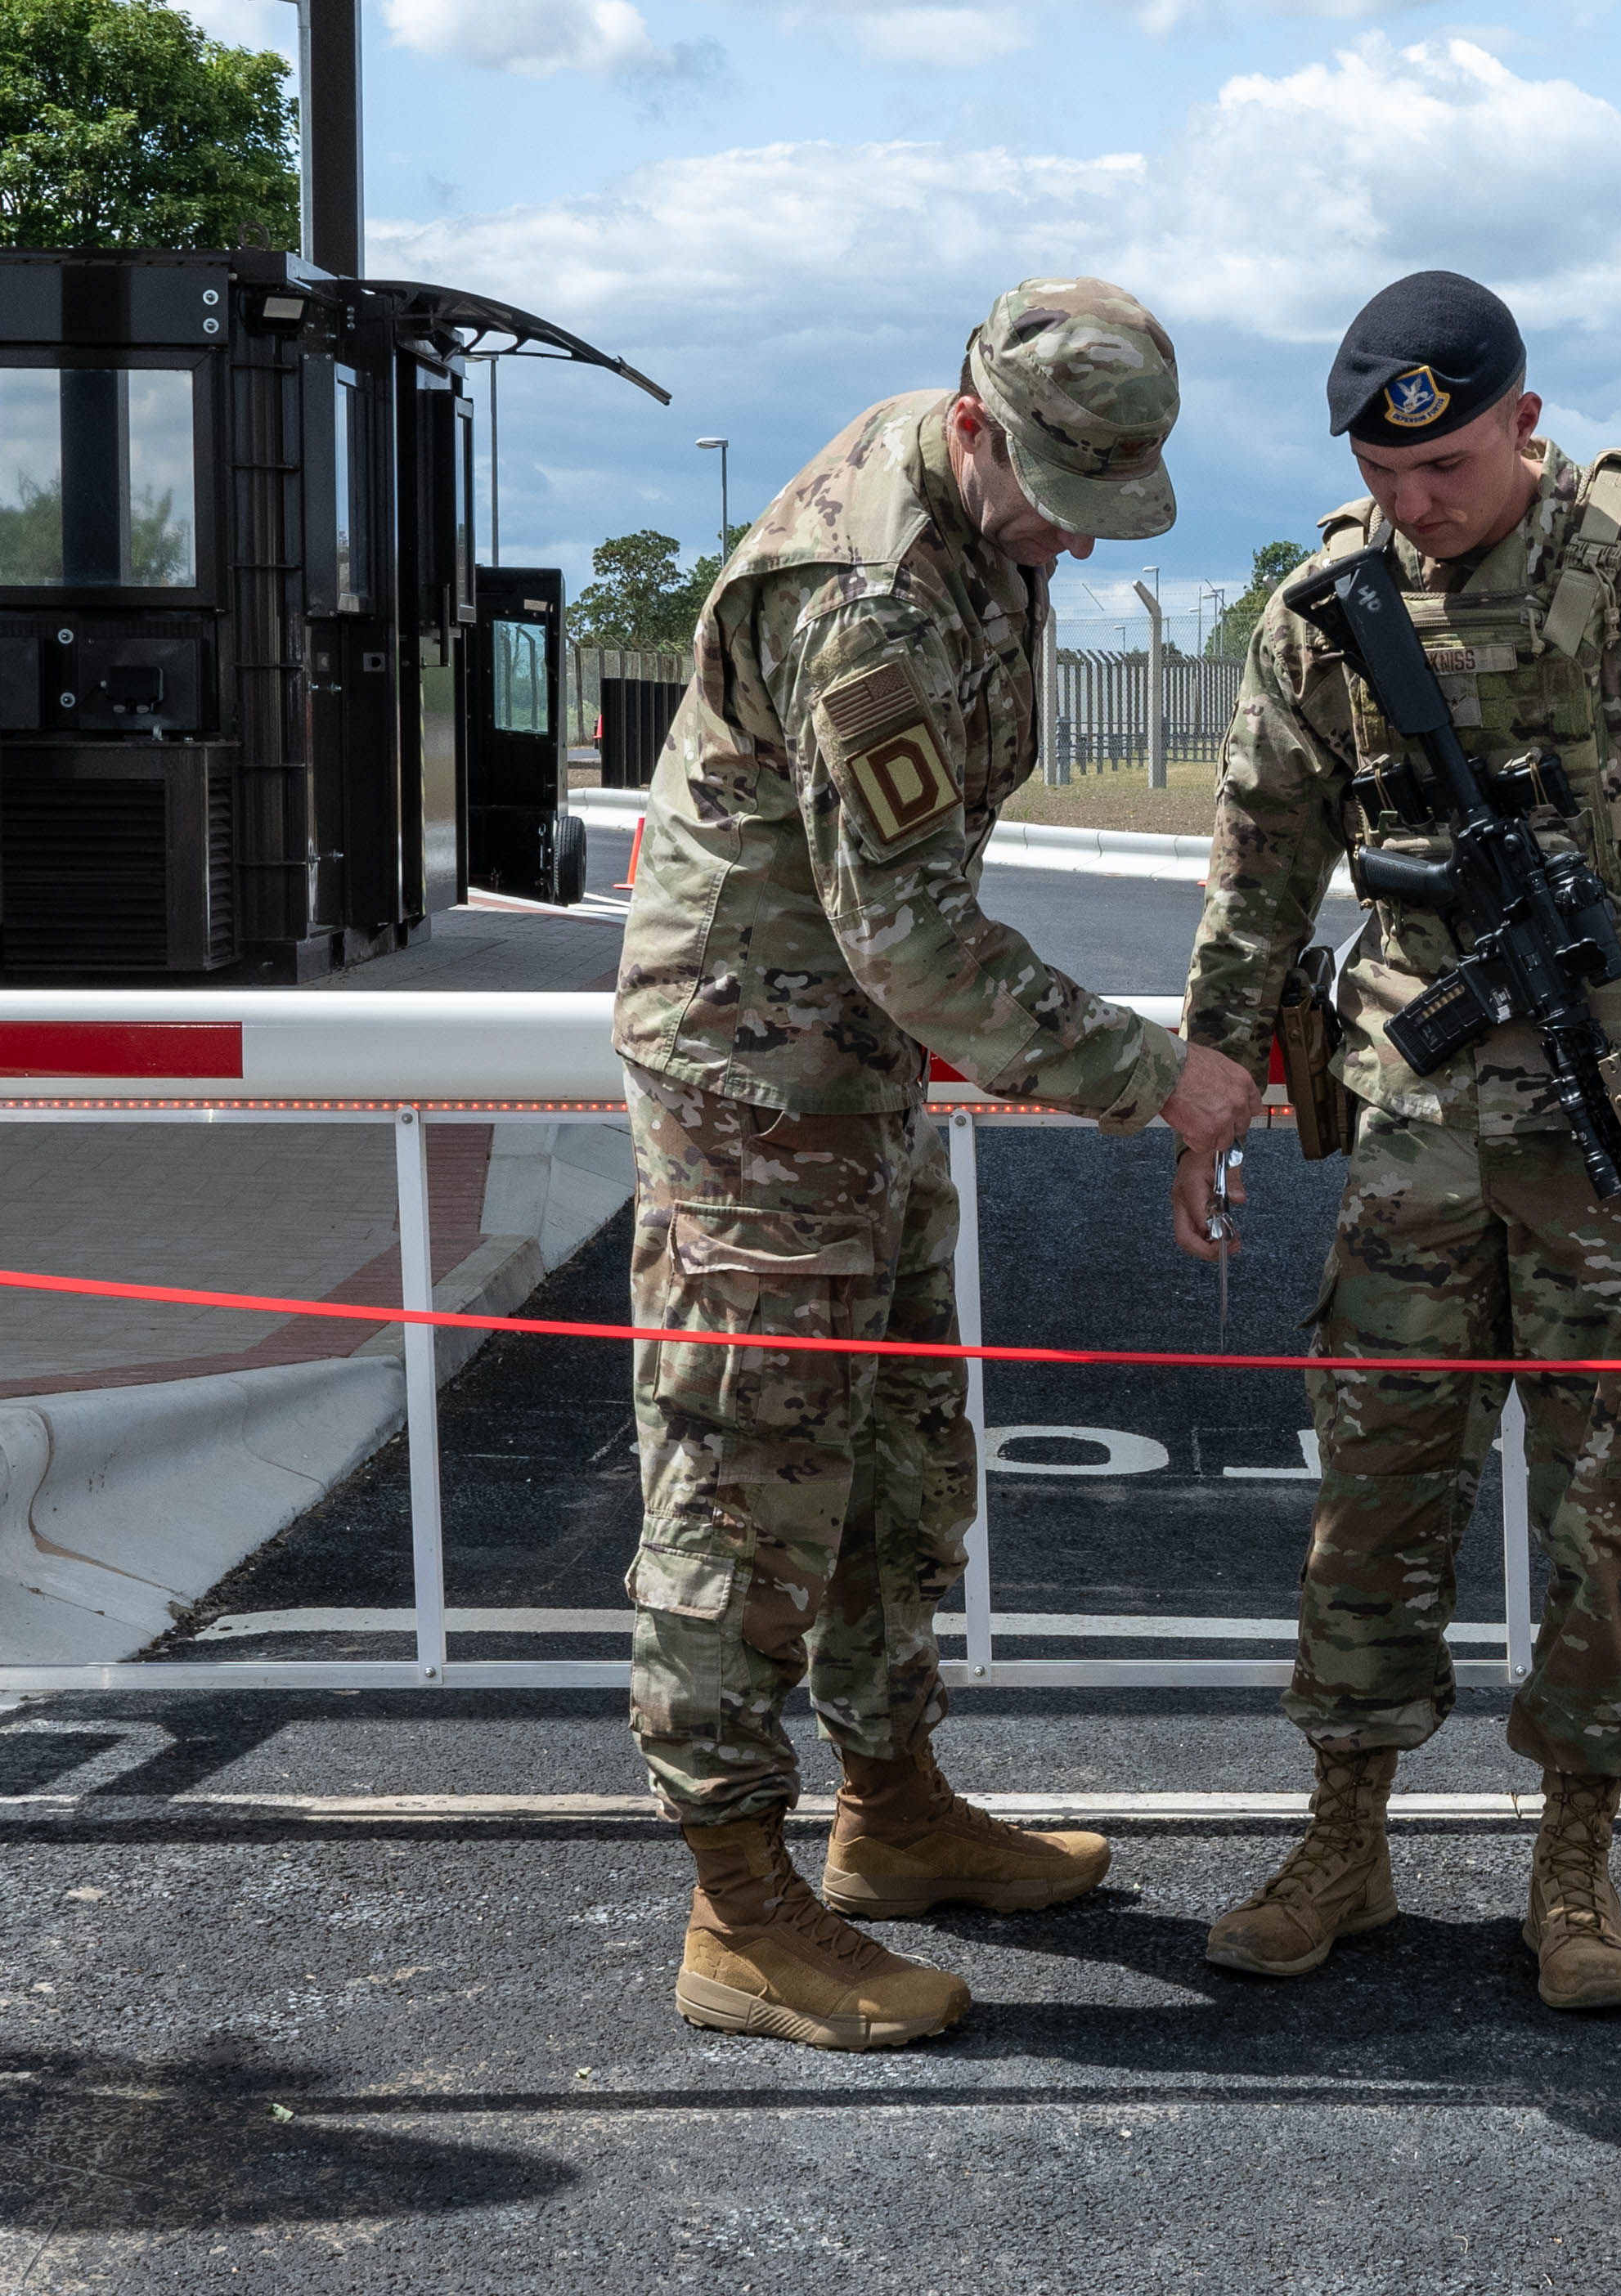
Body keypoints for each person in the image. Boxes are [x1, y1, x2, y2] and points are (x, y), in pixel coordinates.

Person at [1174, 270, 1621, 2012]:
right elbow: (1262, 859)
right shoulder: (1324, 608)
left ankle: (1576, 1865)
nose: (1415, 502)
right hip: (1415, 1130)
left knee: (1615, 1505)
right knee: (1372, 1491)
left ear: (1526, 424)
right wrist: (1216, 1067)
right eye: (1382, 473)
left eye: (1448, 467)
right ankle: (1344, 1839)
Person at [615, 278, 1263, 2052]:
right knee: (749, 1483)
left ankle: (892, 1809)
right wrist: (1157, 1077)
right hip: (758, 1090)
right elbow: (908, 937)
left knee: (898, 1452)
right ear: (977, 427)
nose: (1077, 537)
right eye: (1058, 495)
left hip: (857, 1067)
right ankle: (739, 1909)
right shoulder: (864, 599)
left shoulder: (986, 513)